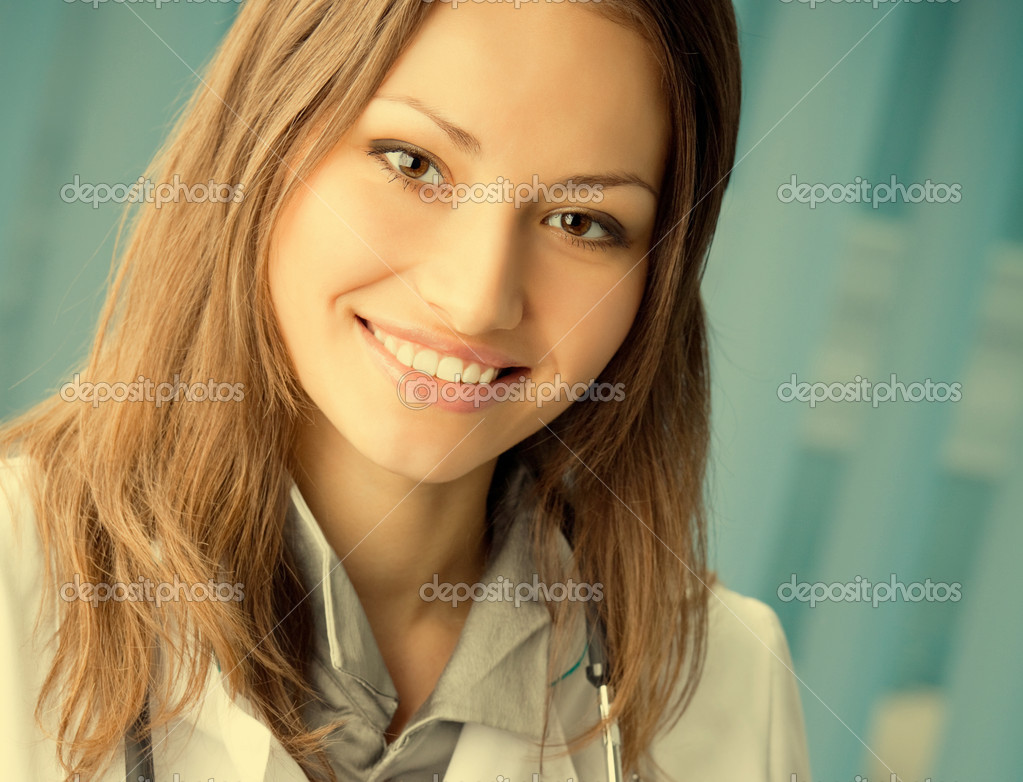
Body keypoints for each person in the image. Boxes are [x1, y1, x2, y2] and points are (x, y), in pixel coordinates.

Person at [0, 0, 812, 780]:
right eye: (413, 163)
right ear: (265, 131)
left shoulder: (727, 686)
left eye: (580, 221)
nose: (476, 299)